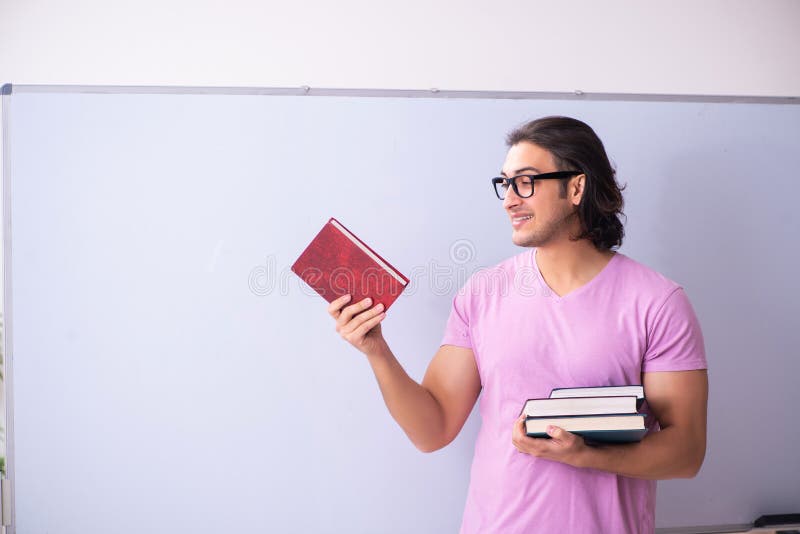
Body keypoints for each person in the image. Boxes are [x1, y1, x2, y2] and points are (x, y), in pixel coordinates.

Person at [327, 116, 708, 534]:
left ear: (576, 187)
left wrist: (584, 455)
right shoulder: (483, 293)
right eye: (505, 183)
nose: (509, 199)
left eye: (526, 182)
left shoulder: (657, 302)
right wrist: (376, 350)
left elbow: (686, 453)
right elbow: (431, 430)